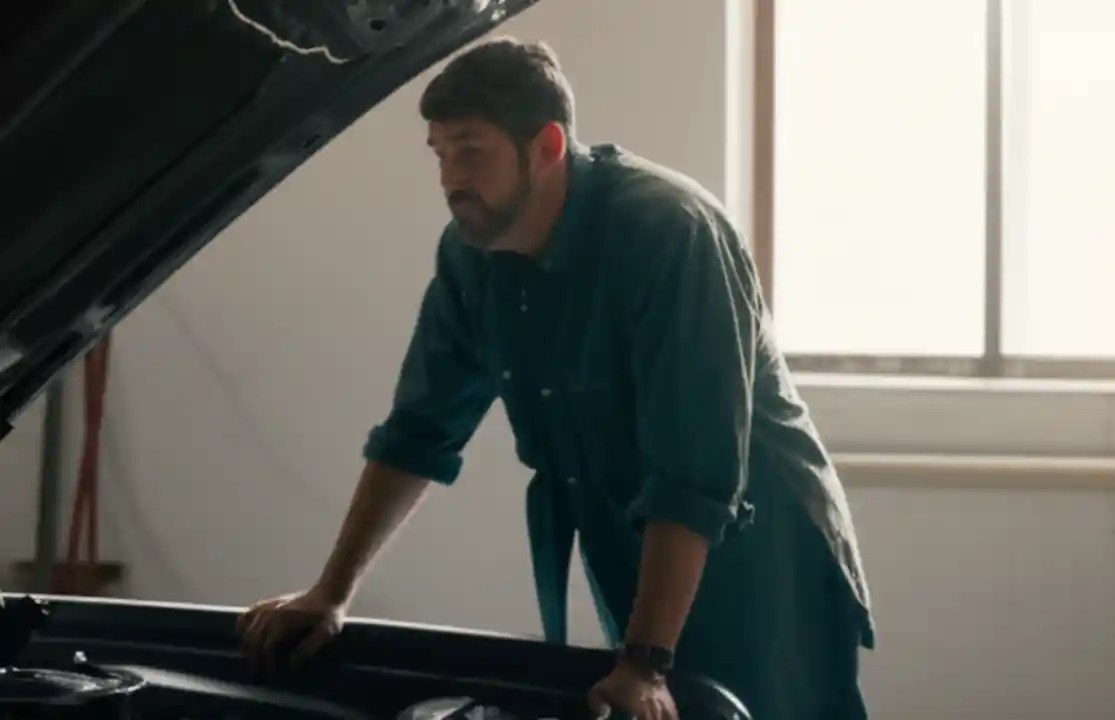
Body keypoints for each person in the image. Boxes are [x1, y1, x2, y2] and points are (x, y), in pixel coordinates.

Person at [236, 37, 875, 720]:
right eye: (440, 153)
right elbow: (417, 432)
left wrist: (645, 662)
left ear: (545, 147)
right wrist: (331, 594)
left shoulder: (668, 233)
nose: (450, 178)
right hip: (634, 544)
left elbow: (695, 475)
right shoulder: (471, 255)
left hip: (763, 554)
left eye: (471, 150)